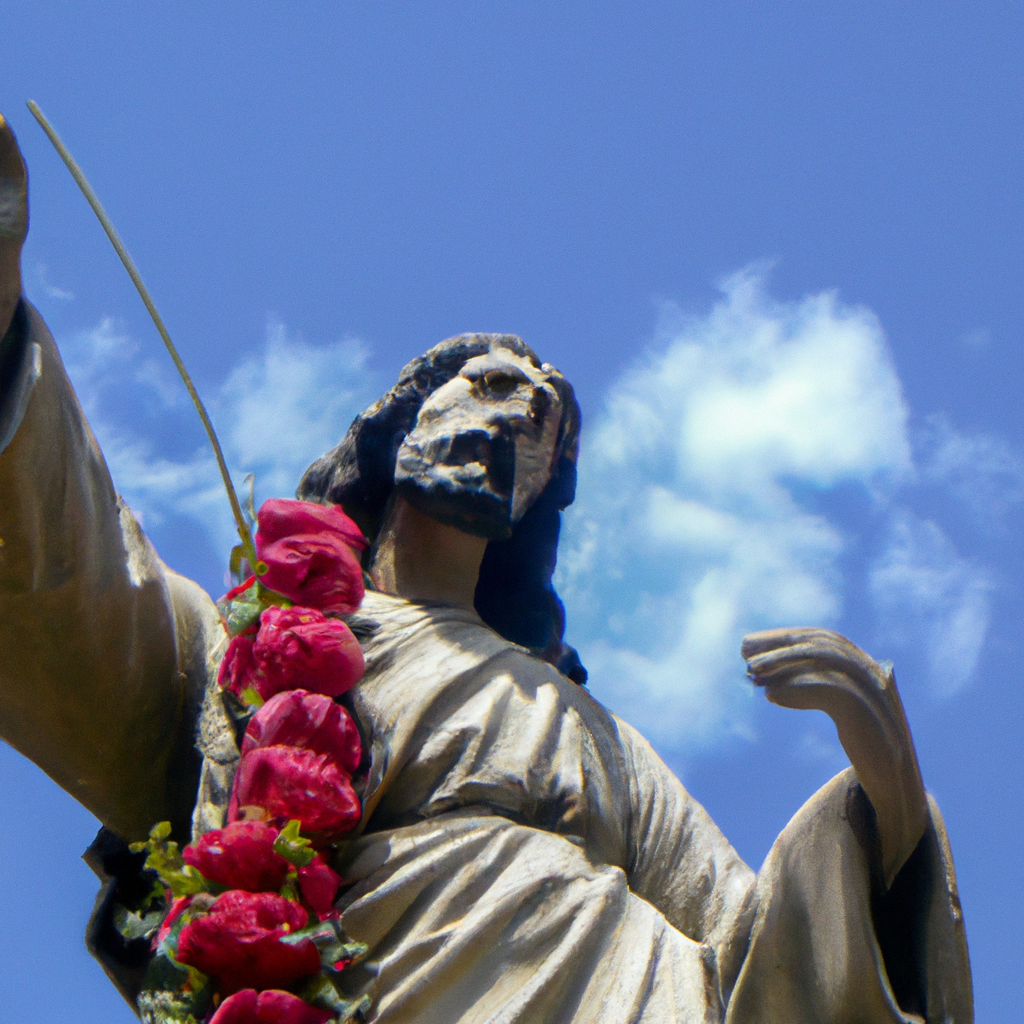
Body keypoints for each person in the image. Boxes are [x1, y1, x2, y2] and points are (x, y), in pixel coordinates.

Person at [0, 114, 971, 1023]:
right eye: (494, 386)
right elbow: (70, 587)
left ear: (536, 495)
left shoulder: (598, 738)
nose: (516, 418)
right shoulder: (250, 657)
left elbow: (752, 948)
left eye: (543, 424)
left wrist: (887, 805)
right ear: (401, 423)